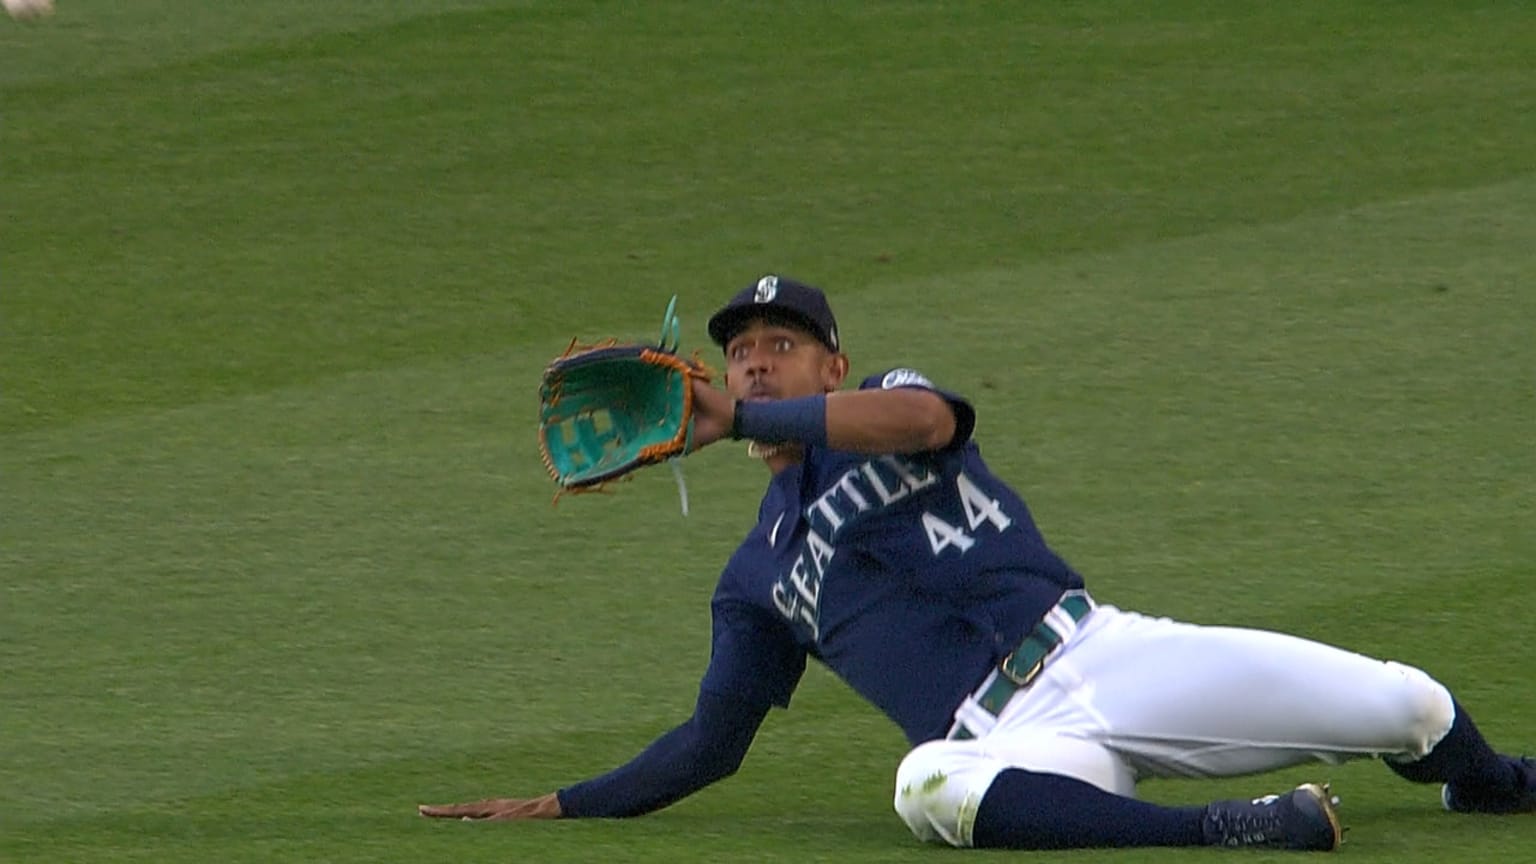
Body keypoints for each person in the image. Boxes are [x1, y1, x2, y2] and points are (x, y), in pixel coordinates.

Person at [420, 275, 1534, 851]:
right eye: (739, 353)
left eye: (779, 348)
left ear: (832, 364)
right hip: (1004, 743)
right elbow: (714, 742)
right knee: (926, 784)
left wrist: (779, 418)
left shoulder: (890, 399)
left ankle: (1494, 790)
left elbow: (917, 425)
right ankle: (1232, 831)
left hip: (1101, 655)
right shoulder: (752, 576)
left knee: (1412, 701)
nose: (753, 363)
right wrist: (566, 806)